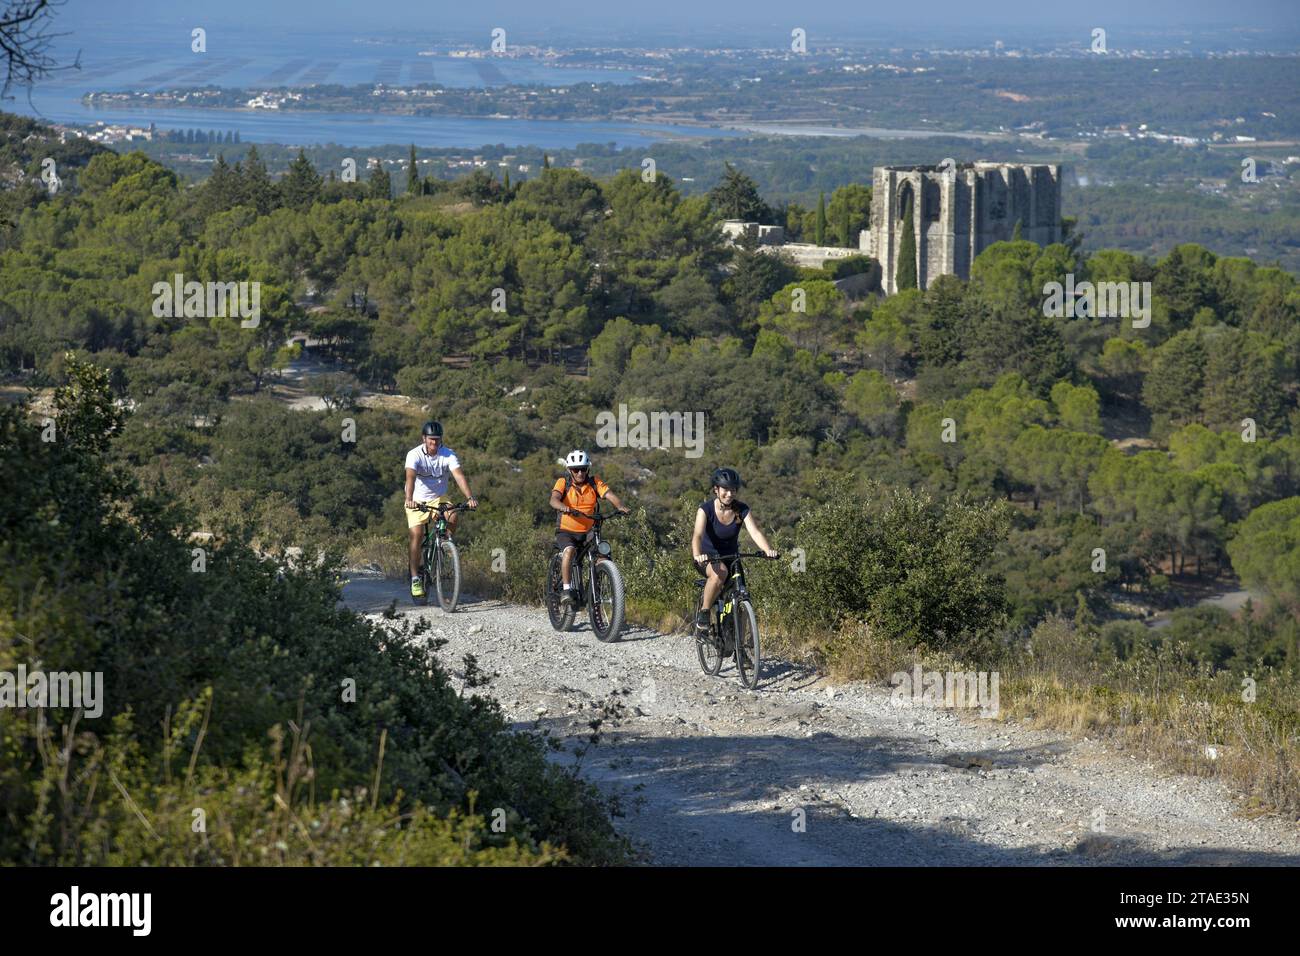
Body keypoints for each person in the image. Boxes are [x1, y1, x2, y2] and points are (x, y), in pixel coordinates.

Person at [691, 467, 777, 636]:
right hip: (708, 558)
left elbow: (755, 532)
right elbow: (697, 535)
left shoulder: (741, 509)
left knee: (744, 598)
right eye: (726, 489)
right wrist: (697, 554)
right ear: (716, 489)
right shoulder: (705, 509)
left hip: (732, 558)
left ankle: (741, 649)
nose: (730, 494)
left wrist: (768, 550)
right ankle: (705, 612)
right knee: (720, 573)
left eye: (733, 490)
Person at [405, 420, 476, 599]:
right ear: (424, 439)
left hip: (439, 499)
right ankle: (415, 578)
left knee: (452, 514)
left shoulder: (448, 454)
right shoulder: (414, 455)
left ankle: (444, 544)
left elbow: (459, 476)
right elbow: (410, 478)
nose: (434, 443)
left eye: (437, 440)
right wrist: (409, 500)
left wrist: (470, 497)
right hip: (416, 499)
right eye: (430, 440)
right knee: (417, 534)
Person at [549, 449, 629, 605]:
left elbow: (609, 495)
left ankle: (597, 589)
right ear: (569, 470)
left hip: (588, 531)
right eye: (576, 469)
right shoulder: (563, 482)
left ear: (588, 469)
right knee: (570, 551)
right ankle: (566, 589)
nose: (580, 473)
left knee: (603, 554)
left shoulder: (594, 483)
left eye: (583, 469)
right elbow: (553, 500)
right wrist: (563, 507)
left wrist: (620, 506)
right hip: (566, 531)